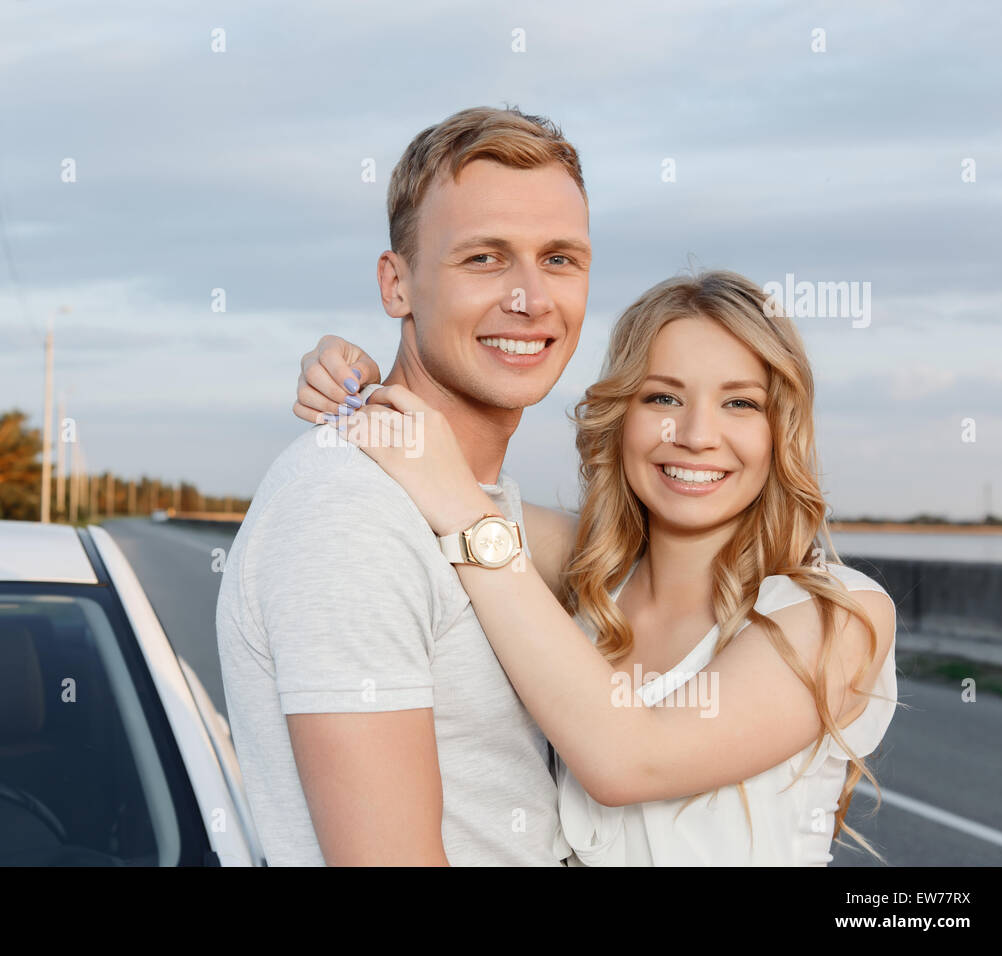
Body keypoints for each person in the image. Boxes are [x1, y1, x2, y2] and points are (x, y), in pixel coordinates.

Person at [291, 270, 900, 865]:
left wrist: (464, 515)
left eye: (740, 403)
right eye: (663, 397)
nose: (694, 434)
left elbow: (629, 761)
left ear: (779, 431)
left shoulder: (837, 616)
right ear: (622, 414)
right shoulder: (583, 571)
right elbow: (422, 476)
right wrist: (354, 383)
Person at [216, 105, 593, 865]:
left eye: (559, 258)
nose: (531, 298)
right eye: (484, 258)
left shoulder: (477, 496)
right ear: (398, 284)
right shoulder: (348, 512)